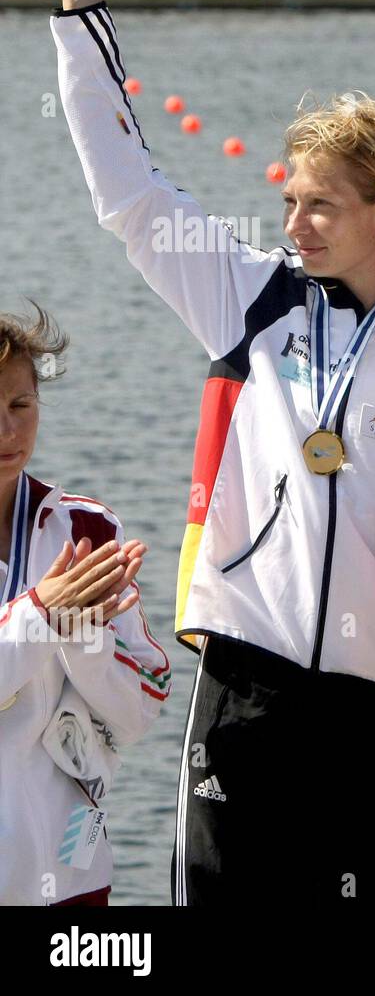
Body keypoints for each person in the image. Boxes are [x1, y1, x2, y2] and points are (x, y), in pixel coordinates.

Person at [37, 0, 375, 905]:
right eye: (290, 198)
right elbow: (127, 190)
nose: (293, 222)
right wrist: (80, 5)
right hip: (246, 683)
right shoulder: (250, 294)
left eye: (320, 205)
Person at [0, 304, 168, 905]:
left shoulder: (86, 531)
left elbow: (140, 711)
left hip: (70, 878)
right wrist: (42, 614)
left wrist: (84, 638)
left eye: (21, 406)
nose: (8, 432)